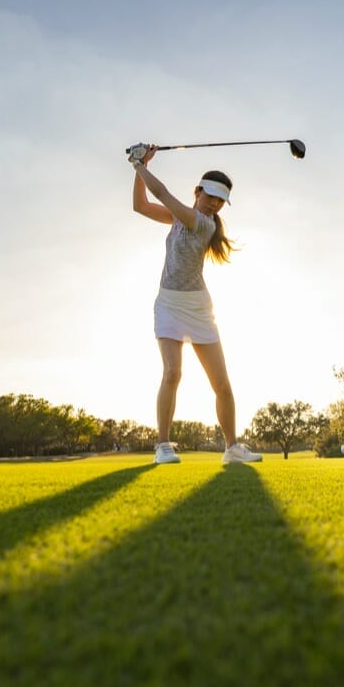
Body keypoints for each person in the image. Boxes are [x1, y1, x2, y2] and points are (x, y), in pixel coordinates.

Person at [129, 144, 262, 465]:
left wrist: (138, 163)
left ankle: (231, 448)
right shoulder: (178, 218)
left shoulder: (205, 224)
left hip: (199, 309)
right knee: (172, 373)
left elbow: (160, 192)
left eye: (220, 201)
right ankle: (162, 446)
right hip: (168, 305)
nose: (215, 204)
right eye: (211, 197)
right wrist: (139, 169)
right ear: (198, 192)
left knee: (222, 384)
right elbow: (140, 205)